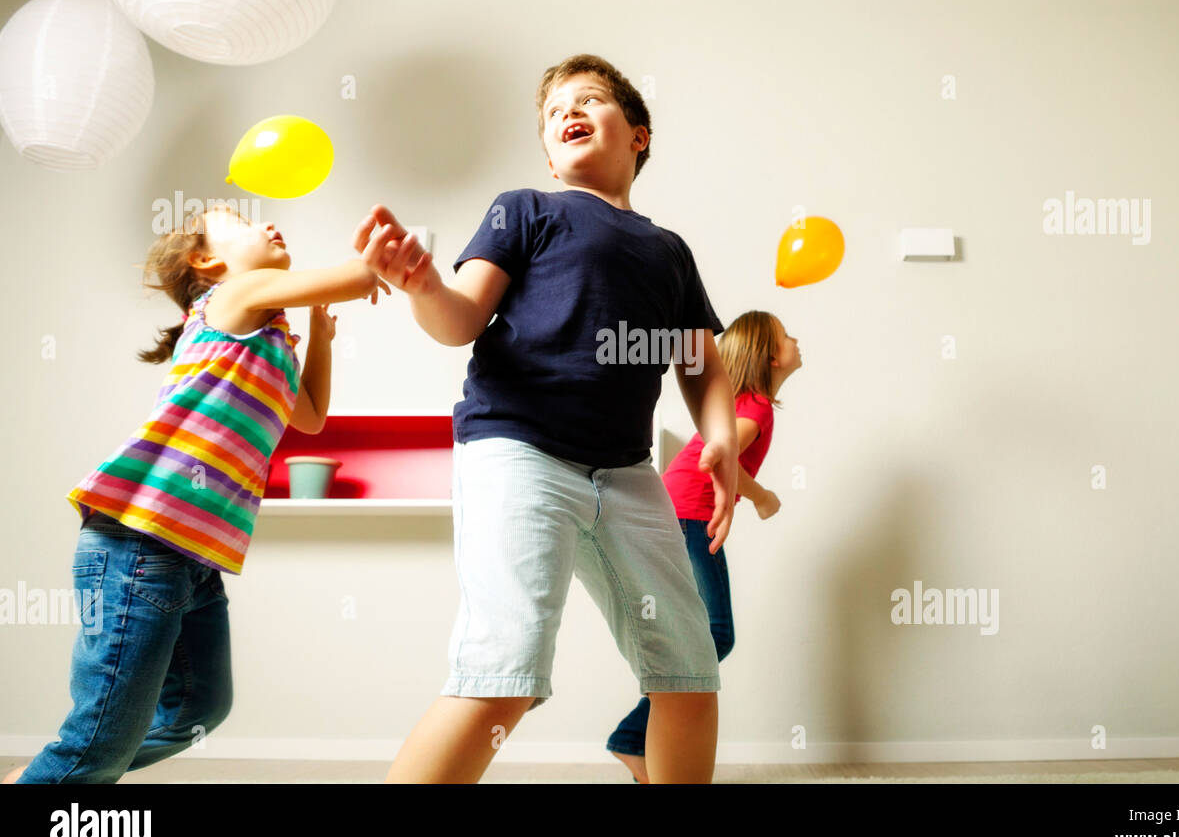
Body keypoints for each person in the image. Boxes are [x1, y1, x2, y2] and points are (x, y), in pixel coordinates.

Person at [356, 53, 739, 783]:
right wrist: (422, 282)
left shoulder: (670, 252)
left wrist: (719, 437)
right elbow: (460, 317)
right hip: (519, 453)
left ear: (639, 135)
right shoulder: (525, 209)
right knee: (507, 671)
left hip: (629, 474)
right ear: (548, 153)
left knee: (689, 669)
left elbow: (700, 362)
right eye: (553, 113)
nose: (568, 112)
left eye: (591, 99)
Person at [5, 204, 387, 783]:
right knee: (99, 740)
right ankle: (66, 775)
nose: (267, 223)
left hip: (193, 559)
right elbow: (360, 278)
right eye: (242, 220)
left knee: (197, 711)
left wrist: (321, 334)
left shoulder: (271, 337)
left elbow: (308, 416)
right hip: (140, 543)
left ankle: (53, 776)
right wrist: (379, 252)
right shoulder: (235, 297)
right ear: (208, 261)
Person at [606, 310, 801, 782]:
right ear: (771, 355)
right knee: (716, 631)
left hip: (680, 511)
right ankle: (634, 737)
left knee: (703, 633)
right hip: (688, 514)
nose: (796, 341)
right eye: (787, 336)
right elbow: (725, 460)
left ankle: (642, 738)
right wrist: (763, 498)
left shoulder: (751, 404)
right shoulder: (753, 408)